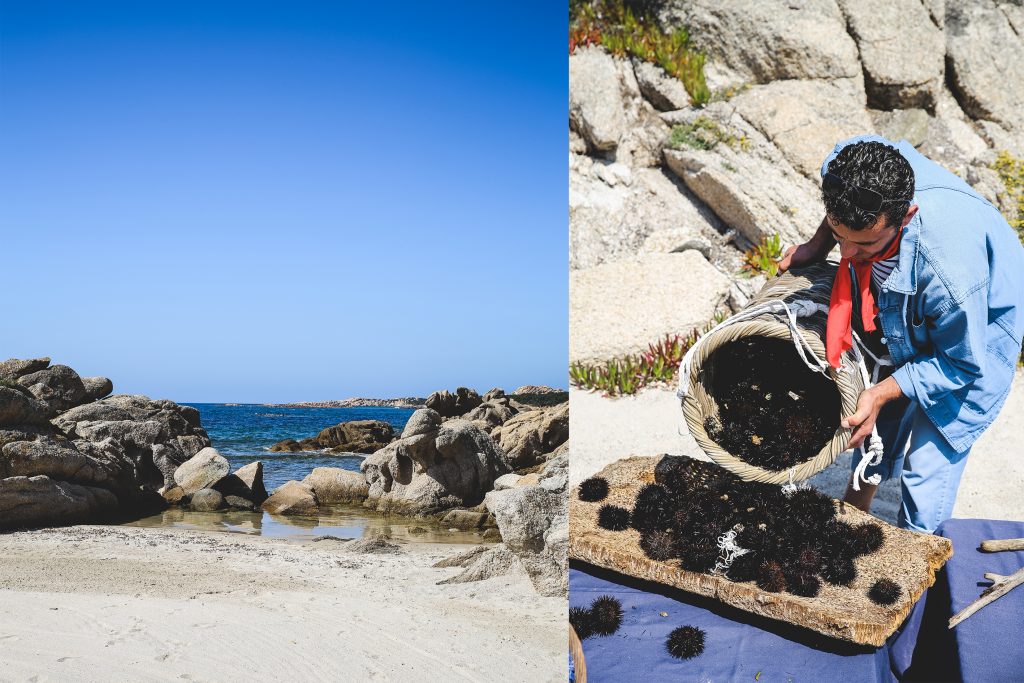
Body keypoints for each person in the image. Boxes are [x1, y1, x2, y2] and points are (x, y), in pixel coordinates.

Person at [778, 135, 1024, 533]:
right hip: (922, 289)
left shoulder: (951, 280)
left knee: (926, 473)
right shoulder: (845, 173)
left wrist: (880, 392)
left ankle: (918, 547)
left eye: (865, 244)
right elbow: (848, 224)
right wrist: (817, 244)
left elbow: (960, 363)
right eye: (841, 237)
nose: (848, 256)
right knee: (878, 401)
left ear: (905, 218)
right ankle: (858, 503)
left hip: (981, 323)